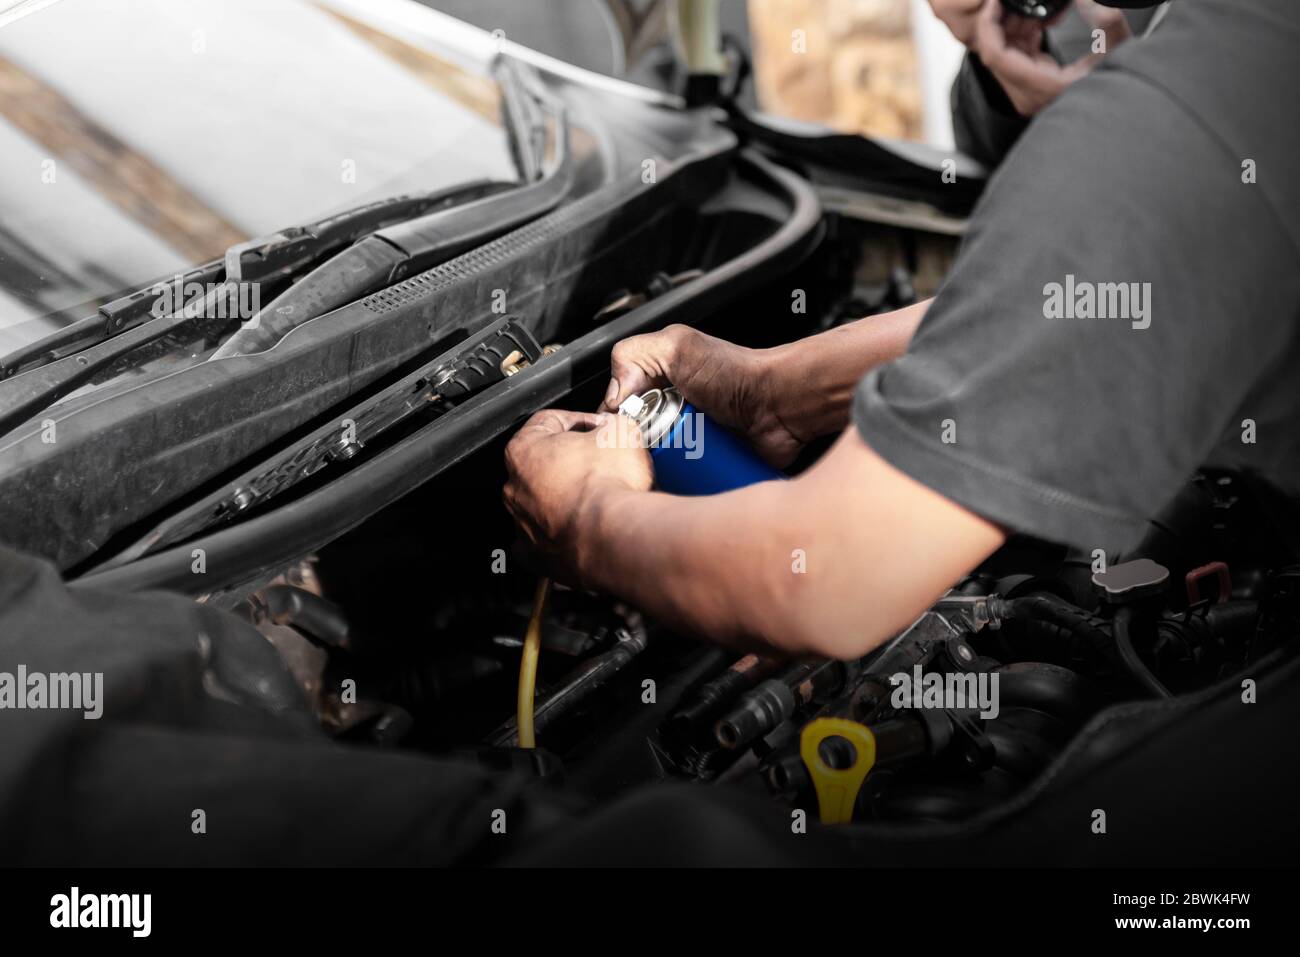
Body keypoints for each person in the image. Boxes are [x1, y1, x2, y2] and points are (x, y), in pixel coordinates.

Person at [503, 0, 1300, 660]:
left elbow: (820, 583)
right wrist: (776, 392)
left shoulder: (1176, 122)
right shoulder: (1239, 54)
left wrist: (587, 519)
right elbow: (1081, 309)